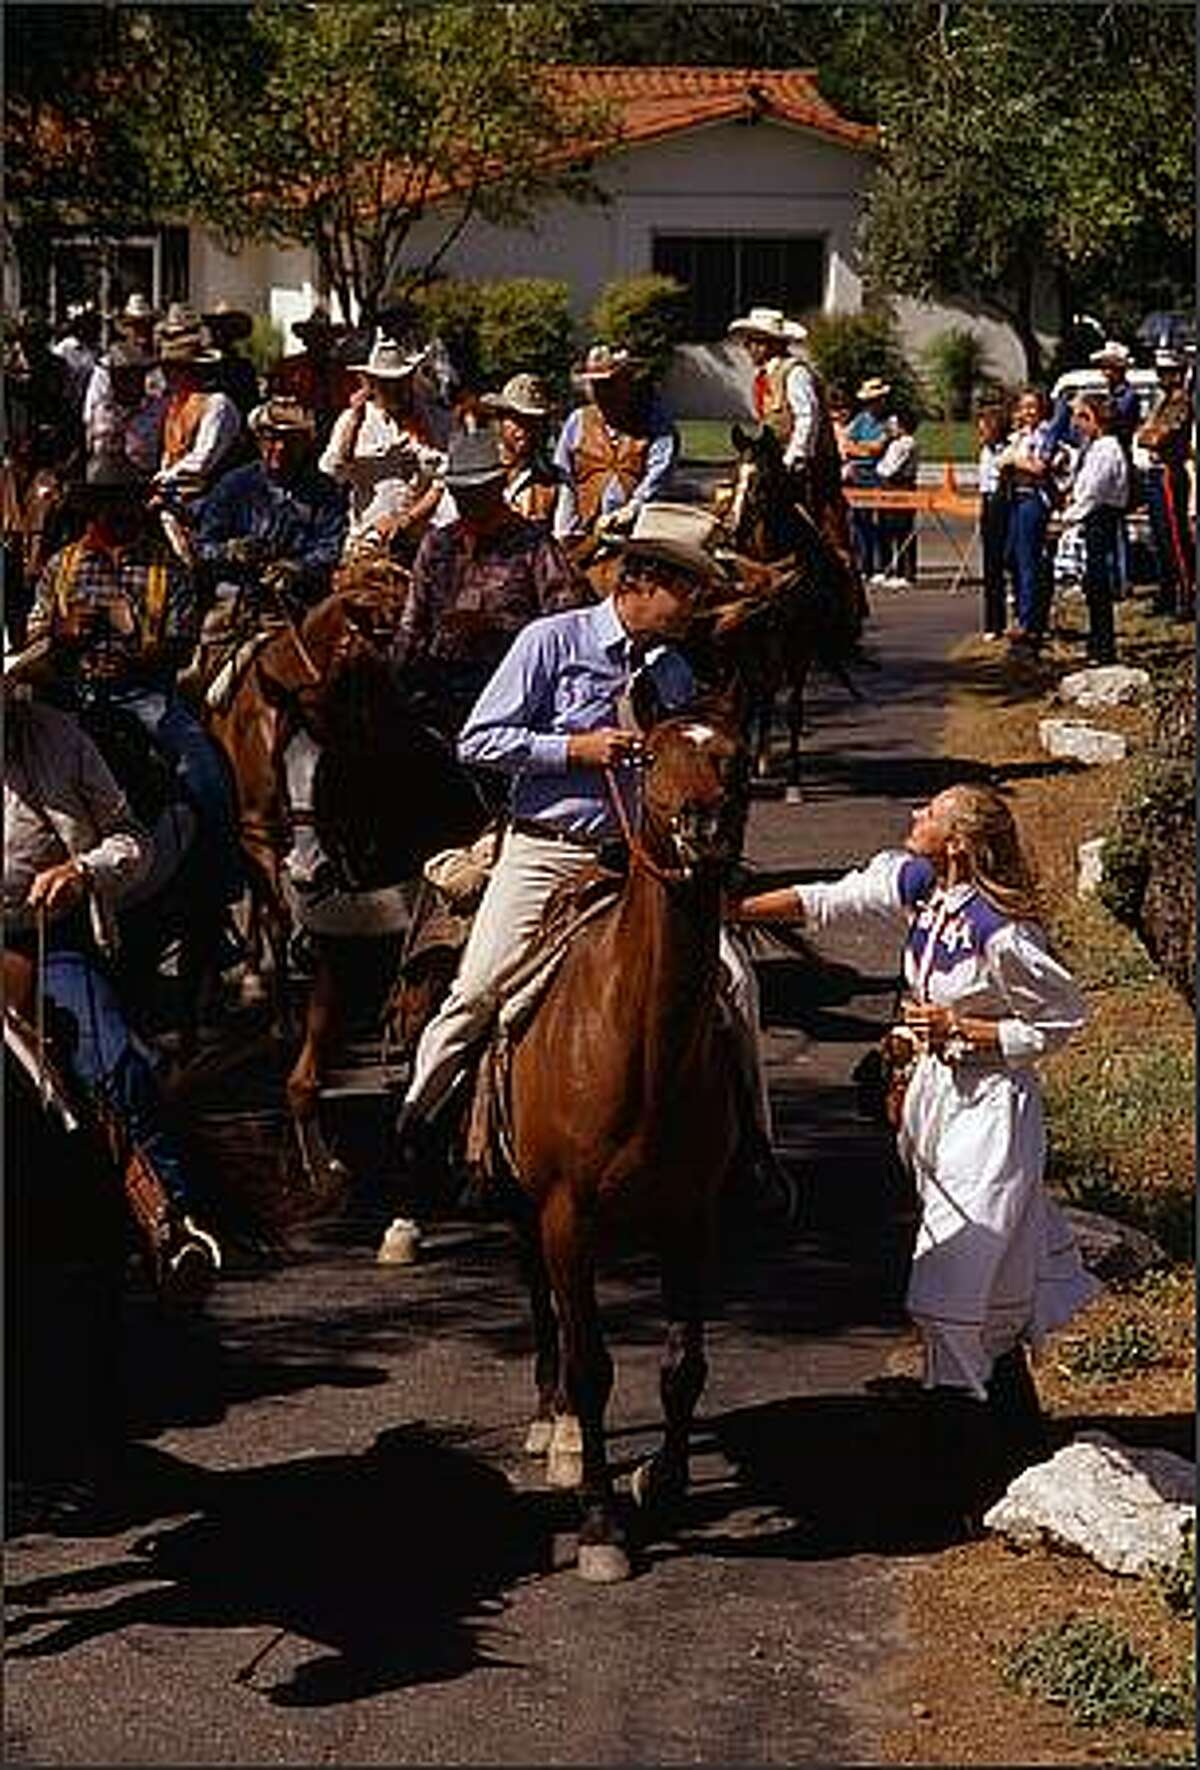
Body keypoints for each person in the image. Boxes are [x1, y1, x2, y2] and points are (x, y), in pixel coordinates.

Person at [730, 784, 1098, 1522]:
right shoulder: (921, 886)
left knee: (946, 1281)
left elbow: (1063, 1017)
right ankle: (1013, 1443)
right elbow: (827, 901)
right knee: (983, 1283)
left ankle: (952, 1470)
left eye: (927, 815)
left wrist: (972, 1029)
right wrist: (731, 911)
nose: (912, 821)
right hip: (934, 1106)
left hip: (991, 1114)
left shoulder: (1002, 930)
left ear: (958, 841)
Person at [394, 500, 770, 1183]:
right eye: (685, 589)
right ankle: (416, 1135)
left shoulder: (672, 670)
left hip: (642, 865)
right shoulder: (551, 641)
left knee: (736, 985)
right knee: (479, 988)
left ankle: (754, 1153)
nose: (693, 605)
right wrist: (574, 749)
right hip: (548, 849)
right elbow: (479, 741)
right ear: (639, 583)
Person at [4, 664, 222, 1300]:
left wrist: (83, 869)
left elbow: (131, 840)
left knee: (117, 1063)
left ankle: (170, 1220)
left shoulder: (59, 737)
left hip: (47, 943)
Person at [27, 455, 244, 912]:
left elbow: (183, 644)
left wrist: (135, 658)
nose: (123, 513)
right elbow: (35, 638)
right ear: (93, 509)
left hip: (144, 694)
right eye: (111, 504)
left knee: (204, 771)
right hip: (70, 694)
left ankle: (220, 888)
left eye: (126, 502)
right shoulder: (60, 566)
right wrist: (62, 633)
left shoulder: (167, 568)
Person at [193, 398, 349, 898]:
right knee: (198, 677)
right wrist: (232, 552)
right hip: (238, 604)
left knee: (344, 681)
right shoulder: (236, 485)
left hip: (301, 608)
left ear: (305, 445)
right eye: (269, 438)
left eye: (287, 439)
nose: (277, 447)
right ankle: (196, 773)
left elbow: (332, 544)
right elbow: (205, 543)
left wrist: (299, 568)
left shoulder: (324, 492)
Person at [392, 429, 590, 739]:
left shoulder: (534, 546)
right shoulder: (438, 544)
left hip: (508, 686)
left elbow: (566, 625)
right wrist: (398, 681)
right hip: (439, 685)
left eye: (476, 494)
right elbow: (412, 623)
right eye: (460, 494)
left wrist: (496, 627)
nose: (468, 503)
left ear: (498, 488)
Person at [727, 305, 865, 614]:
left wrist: (794, 458)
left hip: (812, 466)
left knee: (829, 535)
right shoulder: (763, 377)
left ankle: (847, 605)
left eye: (755, 341)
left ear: (774, 343)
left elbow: (808, 417)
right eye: (748, 341)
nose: (749, 348)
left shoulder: (795, 372)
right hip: (776, 460)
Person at [318, 334, 446, 561]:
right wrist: (354, 424)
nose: (395, 389)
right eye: (386, 383)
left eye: (400, 381)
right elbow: (335, 471)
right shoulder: (353, 420)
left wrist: (405, 520)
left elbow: (443, 482)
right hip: (367, 541)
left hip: (421, 544)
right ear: (371, 383)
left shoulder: (434, 420)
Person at [551, 343, 678, 542]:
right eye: (595, 385)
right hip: (585, 529)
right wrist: (565, 529)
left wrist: (633, 508)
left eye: (609, 384)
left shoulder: (655, 421)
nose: (601, 392)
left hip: (639, 531)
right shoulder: (577, 421)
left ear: (627, 382)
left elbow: (660, 472)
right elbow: (565, 479)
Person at [1059, 392, 1129, 666]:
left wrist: (1067, 518)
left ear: (1094, 418)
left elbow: (1093, 493)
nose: (1076, 423)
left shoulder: (1107, 450)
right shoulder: (1096, 447)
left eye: (1080, 416)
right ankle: (1097, 643)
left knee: (1098, 584)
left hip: (1101, 517)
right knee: (1092, 584)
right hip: (1093, 517)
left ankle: (1103, 647)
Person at [152, 304, 244, 507]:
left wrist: (164, 479)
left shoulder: (218, 405)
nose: (167, 375)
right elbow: (170, 452)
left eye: (174, 368)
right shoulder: (176, 404)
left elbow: (202, 460)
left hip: (213, 499)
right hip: (177, 495)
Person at [1137, 347, 1195, 619]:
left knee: (1175, 537)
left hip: (1170, 472)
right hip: (1158, 472)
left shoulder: (1180, 403)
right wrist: (1148, 434)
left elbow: (1155, 439)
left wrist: (1150, 434)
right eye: (1161, 372)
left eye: (1168, 372)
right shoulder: (1163, 402)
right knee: (1161, 539)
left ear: (1180, 374)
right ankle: (1168, 594)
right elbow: (1142, 435)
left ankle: (1187, 596)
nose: (1163, 377)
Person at [996, 388, 1055, 644]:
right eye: (1024, 407)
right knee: (1012, 557)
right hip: (1014, 498)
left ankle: (1028, 620)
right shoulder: (1019, 436)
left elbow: (1040, 466)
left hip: (1033, 498)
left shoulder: (1044, 435)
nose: (1028, 412)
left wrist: (1013, 462)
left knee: (1027, 559)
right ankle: (1021, 612)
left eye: (1033, 407)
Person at [268, 303, 357, 448]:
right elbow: (274, 403)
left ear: (330, 341)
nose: (318, 342)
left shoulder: (342, 372)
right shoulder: (289, 367)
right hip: (296, 439)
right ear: (305, 340)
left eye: (323, 337)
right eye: (314, 337)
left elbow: (348, 405)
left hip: (334, 438)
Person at [1088, 340, 1139, 593]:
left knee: (1115, 519)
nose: (1105, 372)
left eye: (1109, 367)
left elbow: (1115, 419)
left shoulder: (1128, 396)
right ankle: (1113, 576)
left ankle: (1120, 578)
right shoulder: (1115, 395)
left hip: (1119, 458)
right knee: (1110, 520)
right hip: (1111, 455)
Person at [478, 373, 562, 525]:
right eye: (517, 419)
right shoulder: (474, 470)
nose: (525, 430)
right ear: (500, 420)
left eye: (533, 422)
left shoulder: (555, 481)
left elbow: (564, 539)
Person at [83, 338, 166, 476]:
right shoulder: (100, 410)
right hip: (104, 478)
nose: (126, 381)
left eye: (133, 375)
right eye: (119, 375)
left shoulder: (157, 409)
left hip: (144, 478)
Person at [842, 376, 892, 584]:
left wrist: (861, 448)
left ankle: (881, 566)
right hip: (857, 474)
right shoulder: (861, 418)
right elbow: (846, 443)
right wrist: (864, 449)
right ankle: (864, 564)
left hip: (876, 475)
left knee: (879, 522)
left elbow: (878, 448)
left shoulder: (890, 421)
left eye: (877, 399)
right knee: (858, 521)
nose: (873, 404)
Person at [976, 402, 1011, 640]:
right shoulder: (985, 451)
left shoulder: (1006, 450)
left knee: (1005, 561)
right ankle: (992, 623)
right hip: (988, 503)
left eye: (984, 428)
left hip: (1002, 503)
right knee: (990, 568)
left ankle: (1009, 618)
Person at [875, 408, 920, 588]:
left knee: (902, 529)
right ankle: (886, 569)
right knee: (885, 528)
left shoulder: (905, 444)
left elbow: (888, 469)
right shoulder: (896, 443)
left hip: (900, 486)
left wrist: (880, 467)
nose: (890, 427)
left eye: (894, 424)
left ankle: (906, 573)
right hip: (890, 487)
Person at [201, 301, 261, 419]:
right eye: (215, 327)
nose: (219, 332)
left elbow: (250, 405)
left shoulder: (242, 367)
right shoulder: (201, 363)